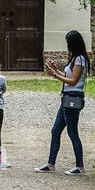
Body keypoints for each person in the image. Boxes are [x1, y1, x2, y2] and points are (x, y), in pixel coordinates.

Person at [34, 29, 90, 175]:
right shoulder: (74, 59)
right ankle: (50, 163)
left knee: (72, 132)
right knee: (55, 131)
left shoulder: (80, 59)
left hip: (73, 97)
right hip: (66, 98)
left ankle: (80, 166)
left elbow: (72, 81)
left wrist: (55, 75)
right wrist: (55, 70)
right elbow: (67, 75)